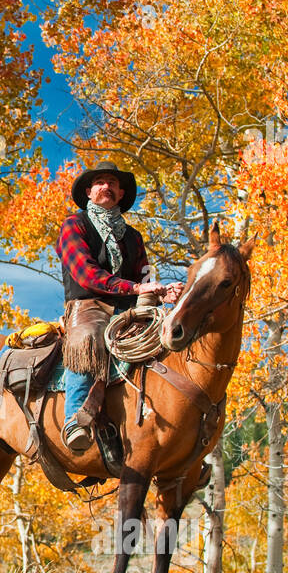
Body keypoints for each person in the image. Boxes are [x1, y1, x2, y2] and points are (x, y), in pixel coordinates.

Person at [53, 162, 183, 450]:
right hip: (88, 305)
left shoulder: (133, 236)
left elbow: (145, 274)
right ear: (89, 191)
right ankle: (75, 417)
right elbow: (86, 274)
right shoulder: (74, 225)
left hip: (131, 306)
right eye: (100, 182)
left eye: (112, 183)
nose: (106, 187)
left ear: (121, 192)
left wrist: (163, 292)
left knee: (171, 336)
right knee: (86, 339)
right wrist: (135, 288)